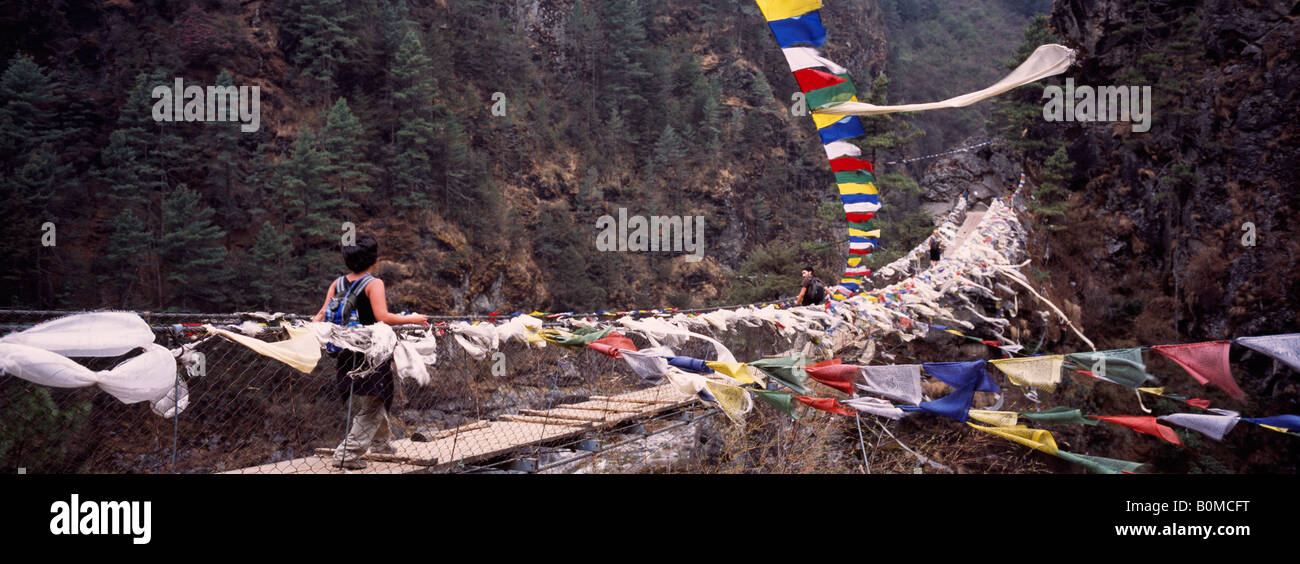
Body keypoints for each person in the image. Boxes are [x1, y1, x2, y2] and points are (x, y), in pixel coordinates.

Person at [311, 234, 428, 470]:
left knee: (378, 397)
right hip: (371, 353)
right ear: (374, 260)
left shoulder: (337, 283)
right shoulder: (374, 284)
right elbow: (382, 317)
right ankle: (348, 453)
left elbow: (321, 314)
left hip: (345, 350)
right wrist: (412, 319)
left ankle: (381, 445)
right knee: (376, 399)